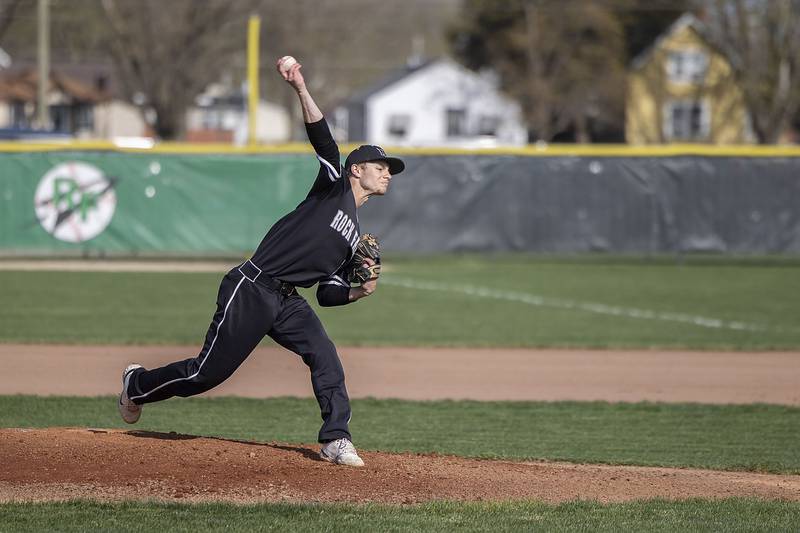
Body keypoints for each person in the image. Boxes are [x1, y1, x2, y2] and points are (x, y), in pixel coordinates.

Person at [117, 56, 405, 467]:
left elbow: (327, 292)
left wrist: (361, 290)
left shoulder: (354, 236)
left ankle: (336, 439)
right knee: (206, 375)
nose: (388, 173)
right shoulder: (332, 188)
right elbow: (322, 138)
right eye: (381, 167)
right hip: (252, 286)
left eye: (389, 169)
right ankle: (137, 384)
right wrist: (300, 87)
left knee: (325, 355)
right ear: (356, 170)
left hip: (287, 301)